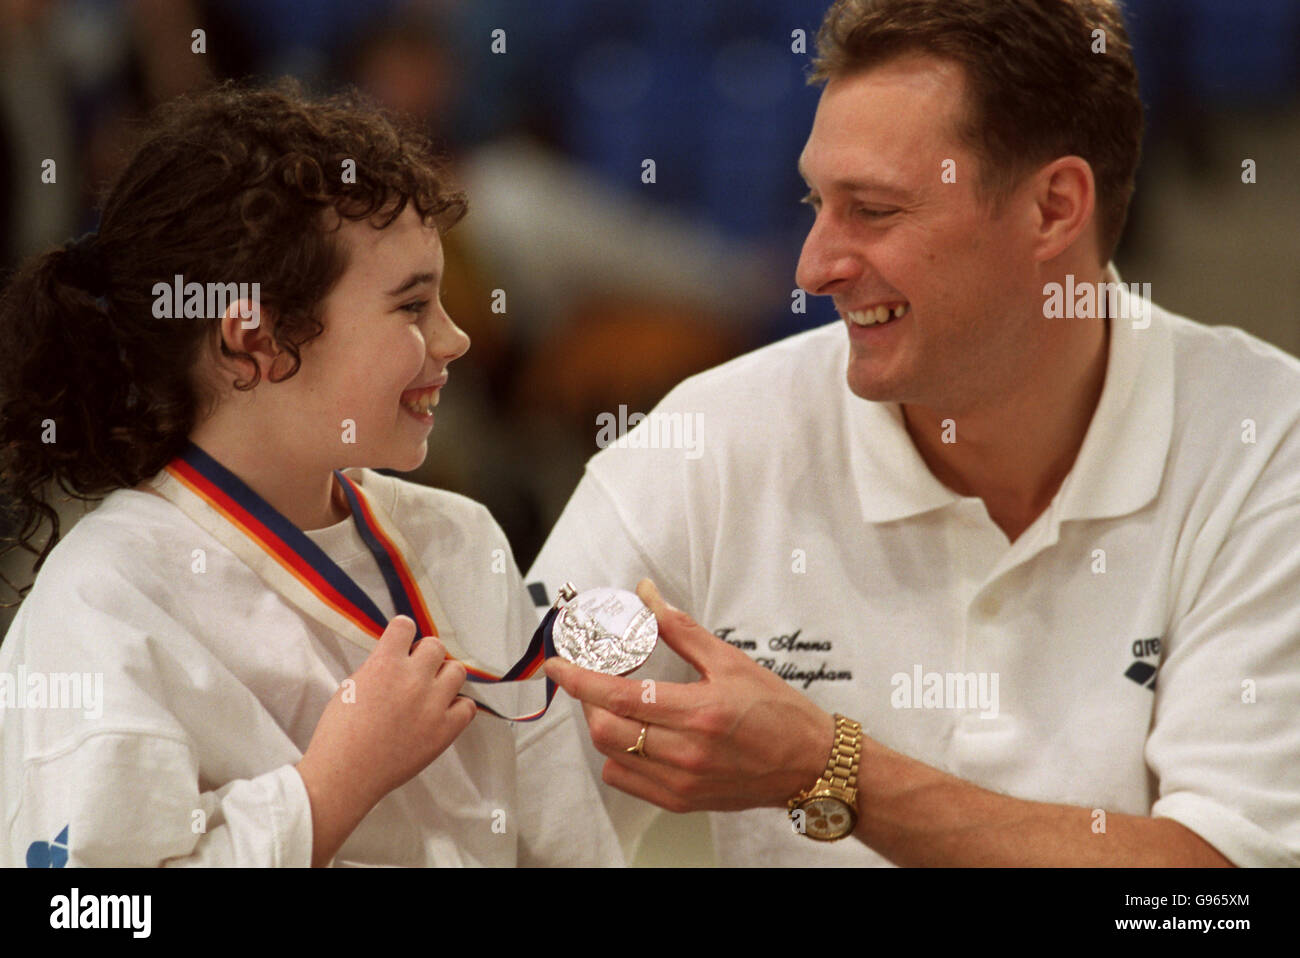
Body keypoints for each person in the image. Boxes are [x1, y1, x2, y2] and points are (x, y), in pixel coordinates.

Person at [529, 0, 1300, 866]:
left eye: (874, 210)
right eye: (816, 202)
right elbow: (501, 811)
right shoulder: (705, 445)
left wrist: (830, 769)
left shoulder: (1264, 443)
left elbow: (1218, 893)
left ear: (1054, 208)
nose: (812, 267)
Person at [0, 81, 621, 867]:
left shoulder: (459, 540)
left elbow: (566, 849)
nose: (456, 338)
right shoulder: (105, 596)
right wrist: (327, 790)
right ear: (253, 341)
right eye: (411, 307)